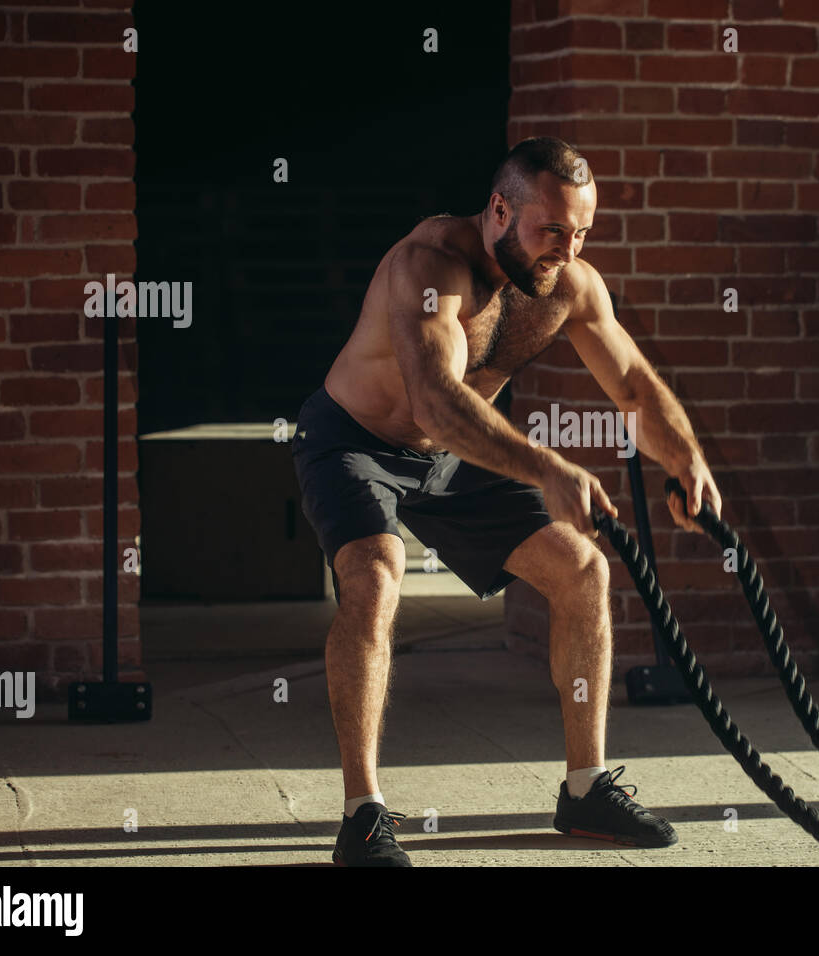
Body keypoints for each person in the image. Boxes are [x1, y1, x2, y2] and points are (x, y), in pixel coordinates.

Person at [292, 136, 723, 866]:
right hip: (356, 442)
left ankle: (585, 790)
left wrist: (685, 456)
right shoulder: (427, 268)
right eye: (550, 228)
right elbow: (434, 400)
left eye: (580, 231)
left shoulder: (569, 287)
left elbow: (634, 387)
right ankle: (363, 813)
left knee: (583, 571)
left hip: (458, 453)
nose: (566, 247)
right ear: (499, 209)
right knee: (374, 578)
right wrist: (548, 468)